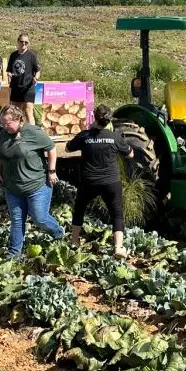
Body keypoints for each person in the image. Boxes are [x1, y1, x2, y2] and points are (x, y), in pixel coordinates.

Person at [0, 104, 64, 257]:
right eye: (3, 123)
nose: (5, 127)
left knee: (39, 218)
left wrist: (52, 171)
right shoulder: (3, 135)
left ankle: (58, 232)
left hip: (37, 185)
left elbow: (51, 148)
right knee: (17, 220)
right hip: (13, 187)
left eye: (8, 123)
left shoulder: (33, 132)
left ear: (18, 119)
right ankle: (14, 253)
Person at [65, 105, 134, 257]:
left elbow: (68, 149)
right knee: (117, 213)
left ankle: (74, 242)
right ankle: (118, 248)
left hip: (89, 181)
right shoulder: (115, 137)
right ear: (110, 120)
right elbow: (130, 155)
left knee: (79, 210)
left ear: (94, 118)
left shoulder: (85, 136)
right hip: (111, 182)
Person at [6, 32, 40, 125]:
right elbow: (9, 70)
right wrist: (9, 75)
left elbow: (38, 70)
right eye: (22, 41)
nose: (23, 44)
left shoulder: (32, 55)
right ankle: (18, 132)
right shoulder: (13, 55)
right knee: (16, 112)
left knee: (28, 111)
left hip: (28, 87)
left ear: (28, 43)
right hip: (16, 87)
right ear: (18, 42)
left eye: (26, 42)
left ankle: (32, 134)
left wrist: (35, 78)